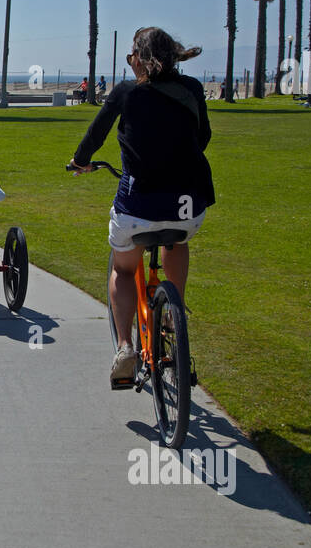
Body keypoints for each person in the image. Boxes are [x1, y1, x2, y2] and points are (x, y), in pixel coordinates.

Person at [67, 26, 214, 388]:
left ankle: (125, 347)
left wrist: (80, 161)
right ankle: (172, 310)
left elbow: (96, 135)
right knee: (177, 241)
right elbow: (203, 136)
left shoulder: (126, 92)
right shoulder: (192, 88)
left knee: (122, 266)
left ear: (140, 58)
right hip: (188, 203)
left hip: (137, 206)